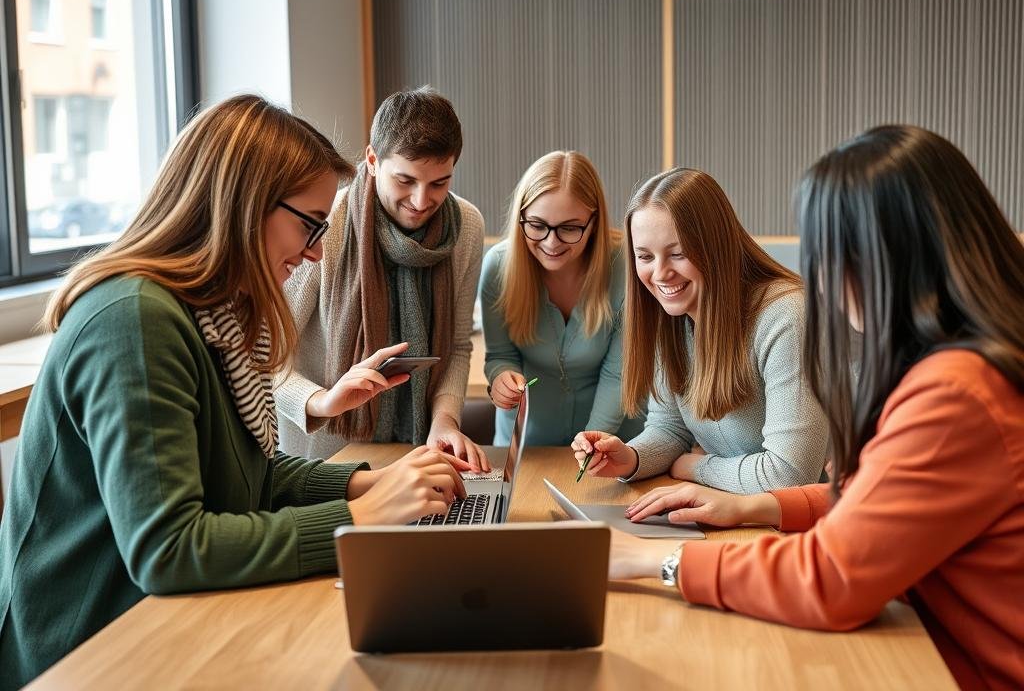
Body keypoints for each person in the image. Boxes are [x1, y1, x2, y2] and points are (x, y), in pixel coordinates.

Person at [0, 95, 469, 689]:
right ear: (243, 204)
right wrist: (358, 518)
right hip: (87, 651)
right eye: (310, 225)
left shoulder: (211, 315)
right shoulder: (135, 320)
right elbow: (169, 550)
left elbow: (248, 480)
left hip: (157, 624)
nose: (318, 251)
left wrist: (366, 482)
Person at [608, 126, 1024, 691]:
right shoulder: (965, 364)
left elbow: (833, 578)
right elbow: (874, 503)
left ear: (887, 257)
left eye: (826, 254)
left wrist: (655, 560)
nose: (820, 280)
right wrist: (754, 509)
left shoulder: (957, 392)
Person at [572, 168, 827, 493]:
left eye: (678, 254)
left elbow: (789, 476)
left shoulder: (786, 316)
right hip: (740, 511)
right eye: (645, 256)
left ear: (716, 246)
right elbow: (670, 429)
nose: (660, 273)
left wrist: (697, 467)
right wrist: (631, 457)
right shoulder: (671, 315)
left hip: (808, 524)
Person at [273, 87, 489, 469]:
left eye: (439, 183)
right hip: (324, 455)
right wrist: (322, 402)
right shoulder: (327, 223)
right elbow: (270, 354)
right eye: (405, 180)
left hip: (416, 452)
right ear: (372, 160)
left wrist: (444, 420)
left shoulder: (466, 227)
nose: (422, 201)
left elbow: (457, 347)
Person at [480, 150, 644, 446]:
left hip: (614, 443)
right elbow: (500, 356)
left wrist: (592, 445)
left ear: (594, 222)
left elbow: (618, 374)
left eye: (570, 228)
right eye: (538, 226)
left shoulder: (626, 266)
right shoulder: (497, 268)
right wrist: (502, 376)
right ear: (521, 218)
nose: (551, 243)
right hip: (526, 445)